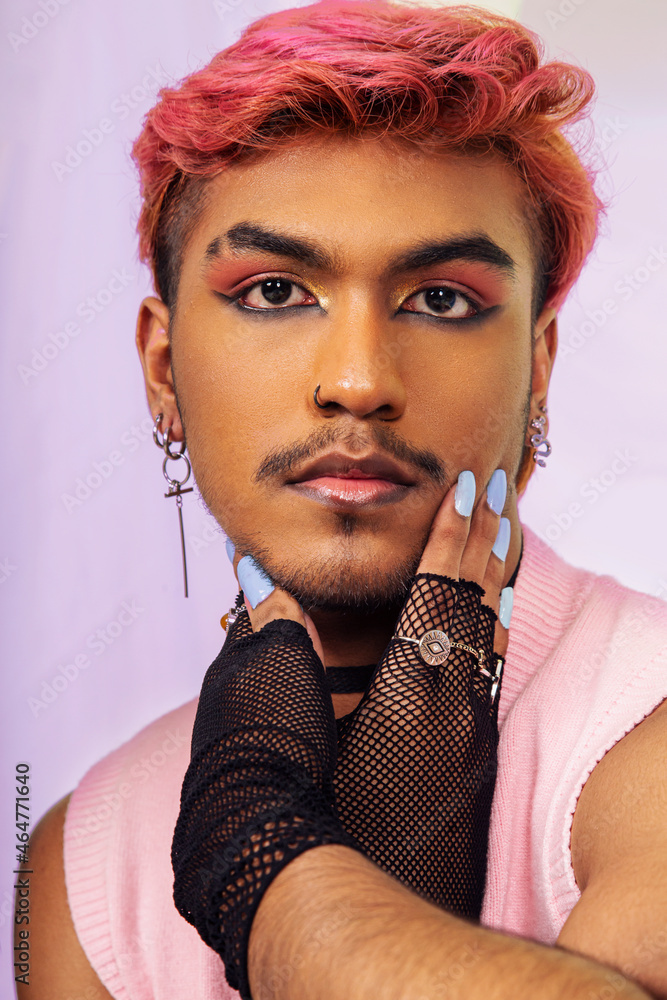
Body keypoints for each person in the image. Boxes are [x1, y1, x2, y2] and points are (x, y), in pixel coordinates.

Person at [17, 2, 667, 998]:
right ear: (161, 368)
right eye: (275, 292)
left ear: (536, 369)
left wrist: (253, 847)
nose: (358, 380)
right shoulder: (88, 856)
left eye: (441, 298)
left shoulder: (645, 725)